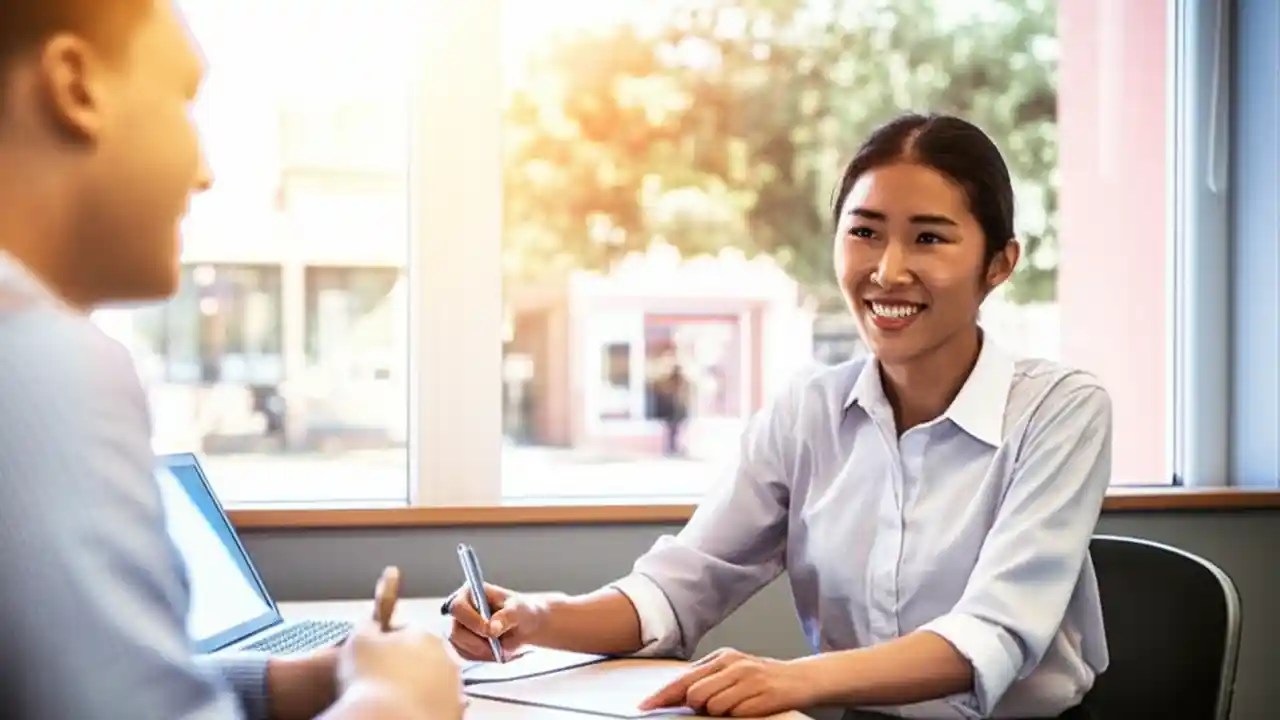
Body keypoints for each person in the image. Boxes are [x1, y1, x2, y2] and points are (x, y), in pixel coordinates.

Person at [448, 113, 1111, 719]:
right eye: (864, 233)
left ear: (999, 264)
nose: (887, 270)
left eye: (930, 238)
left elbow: (993, 632)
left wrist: (798, 679)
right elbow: (682, 585)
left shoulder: (1060, 411)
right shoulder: (809, 412)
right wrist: (536, 618)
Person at [0, 1, 464, 718]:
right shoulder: (41, 364)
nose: (205, 171)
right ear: (75, 85)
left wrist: (287, 684)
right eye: (185, 100)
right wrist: (400, 700)